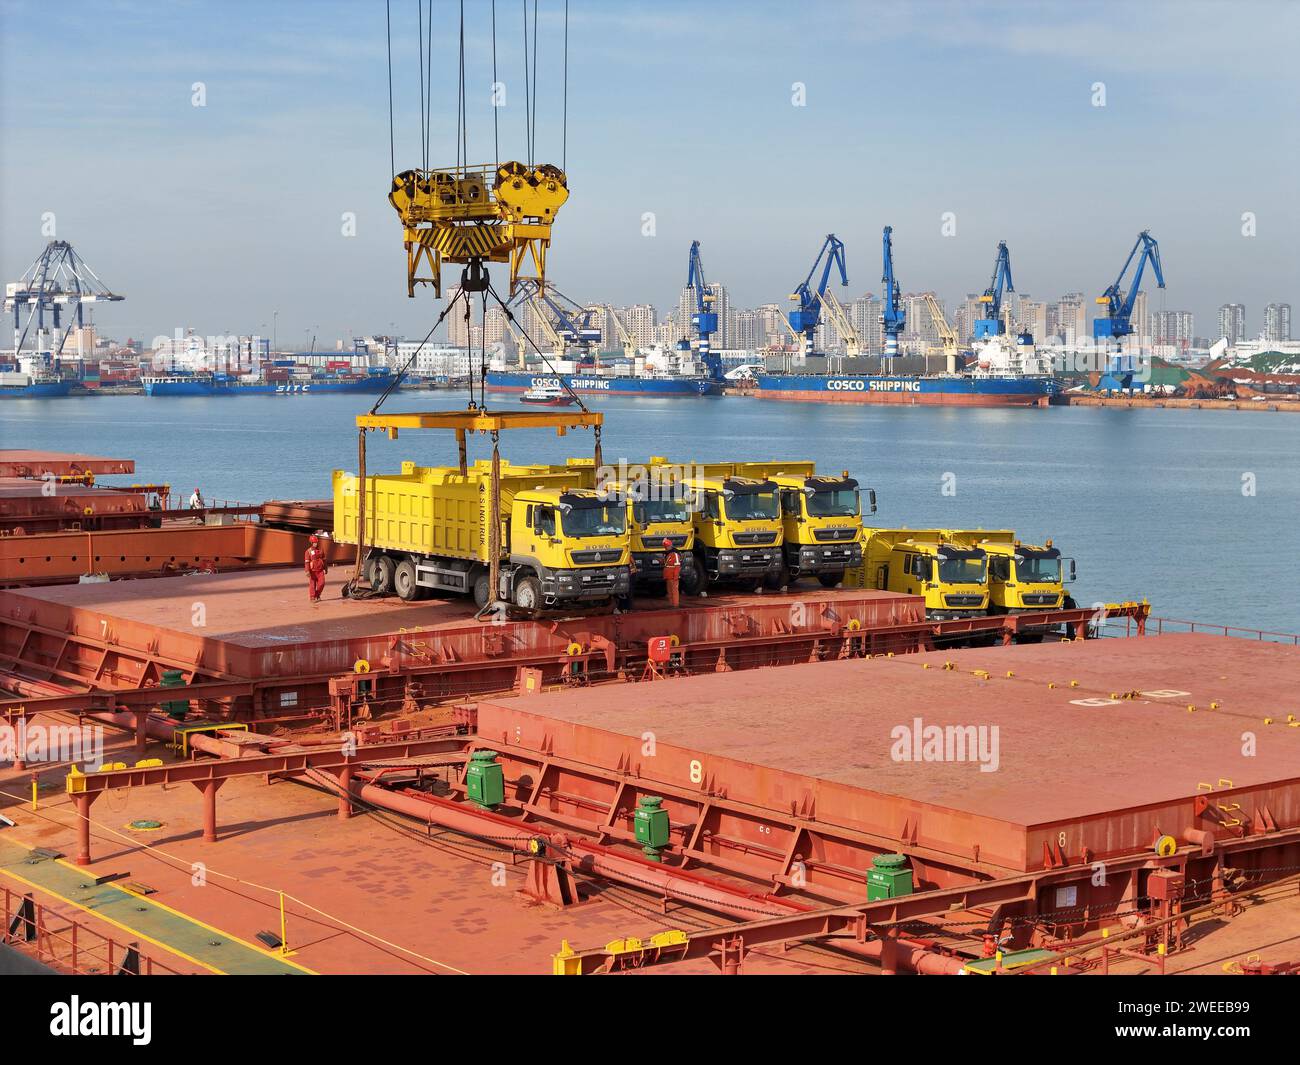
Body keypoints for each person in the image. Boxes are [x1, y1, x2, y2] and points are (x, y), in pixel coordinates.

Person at [304, 533, 328, 603]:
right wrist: (307, 571)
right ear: (311, 543)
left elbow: (324, 560)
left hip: (320, 570)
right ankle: (312, 597)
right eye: (314, 543)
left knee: (322, 583)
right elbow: (307, 562)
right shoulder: (308, 552)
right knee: (312, 585)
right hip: (312, 571)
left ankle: (317, 595)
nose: (315, 544)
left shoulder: (321, 550)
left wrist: (326, 568)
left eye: (316, 542)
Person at [662, 537, 682, 608]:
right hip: (668, 576)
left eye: (666, 546)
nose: (665, 548)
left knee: (674, 591)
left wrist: (675, 577)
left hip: (673, 577)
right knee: (670, 591)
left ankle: (675, 605)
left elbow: (677, 566)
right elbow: (666, 563)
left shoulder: (675, 554)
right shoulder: (668, 554)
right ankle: (671, 604)